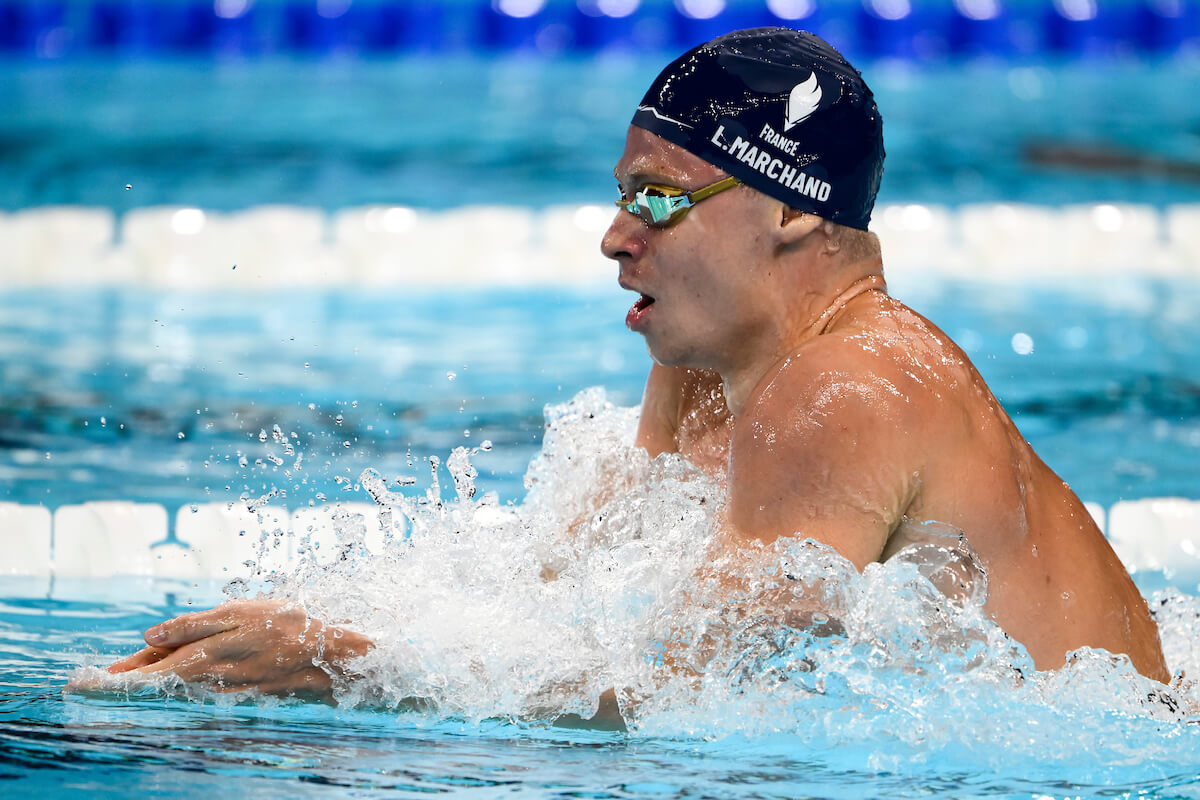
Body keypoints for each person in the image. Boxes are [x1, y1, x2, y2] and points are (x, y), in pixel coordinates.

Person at [98, 27, 1169, 703]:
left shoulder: (845, 387)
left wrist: (350, 666)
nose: (615, 237)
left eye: (656, 198)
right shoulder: (716, 361)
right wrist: (349, 623)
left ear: (793, 211)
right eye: (622, 196)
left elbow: (682, 703)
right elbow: (561, 596)